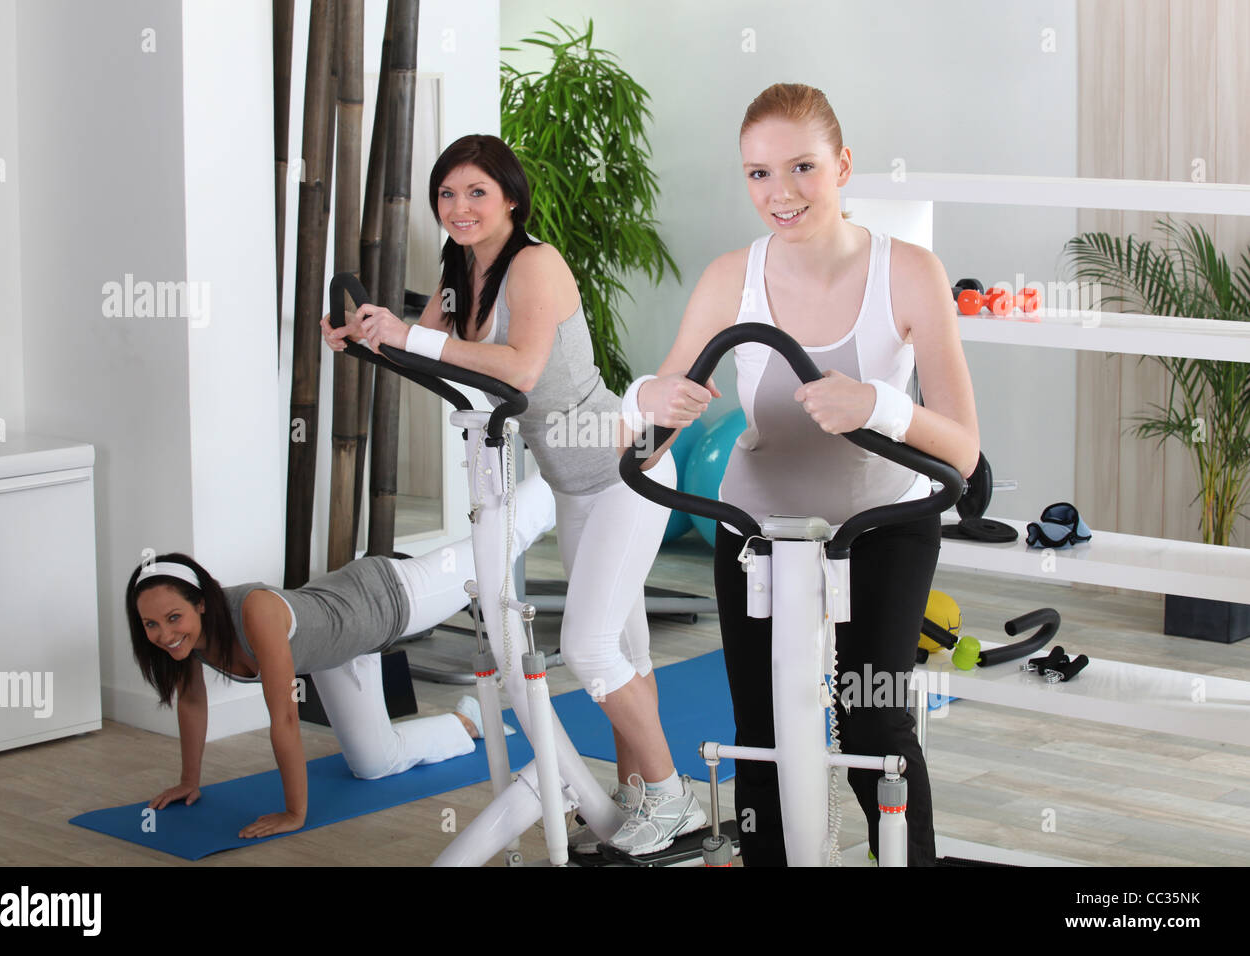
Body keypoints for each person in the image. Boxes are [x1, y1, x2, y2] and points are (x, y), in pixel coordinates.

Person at [321, 134, 706, 856]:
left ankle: (673, 800)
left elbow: (522, 369)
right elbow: (419, 349)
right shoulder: (455, 278)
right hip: (574, 485)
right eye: (447, 194)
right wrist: (366, 338)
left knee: (589, 651)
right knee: (629, 651)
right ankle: (639, 800)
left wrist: (412, 334)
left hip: (628, 468)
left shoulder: (536, 264)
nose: (459, 208)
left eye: (476, 192)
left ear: (511, 199)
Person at [630, 83, 980, 866]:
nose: (779, 194)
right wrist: (646, 401)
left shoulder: (911, 272)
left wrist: (879, 405)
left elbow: (960, 450)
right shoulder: (730, 278)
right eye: (757, 174)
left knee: (872, 723)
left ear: (844, 165)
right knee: (764, 732)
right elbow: (648, 439)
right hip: (760, 530)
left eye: (801, 168)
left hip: (882, 522)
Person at [125, 472, 555, 840]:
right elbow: (194, 703)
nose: (164, 634)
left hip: (390, 596)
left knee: (496, 546)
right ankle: (467, 721)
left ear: (200, 603)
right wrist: (188, 780)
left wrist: (295, 813)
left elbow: (286, 719)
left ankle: (571, 466)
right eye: (151, 625)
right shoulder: (187, 644)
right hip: (335, 652)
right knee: (373, 763)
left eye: (173, 617)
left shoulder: (253, 611)